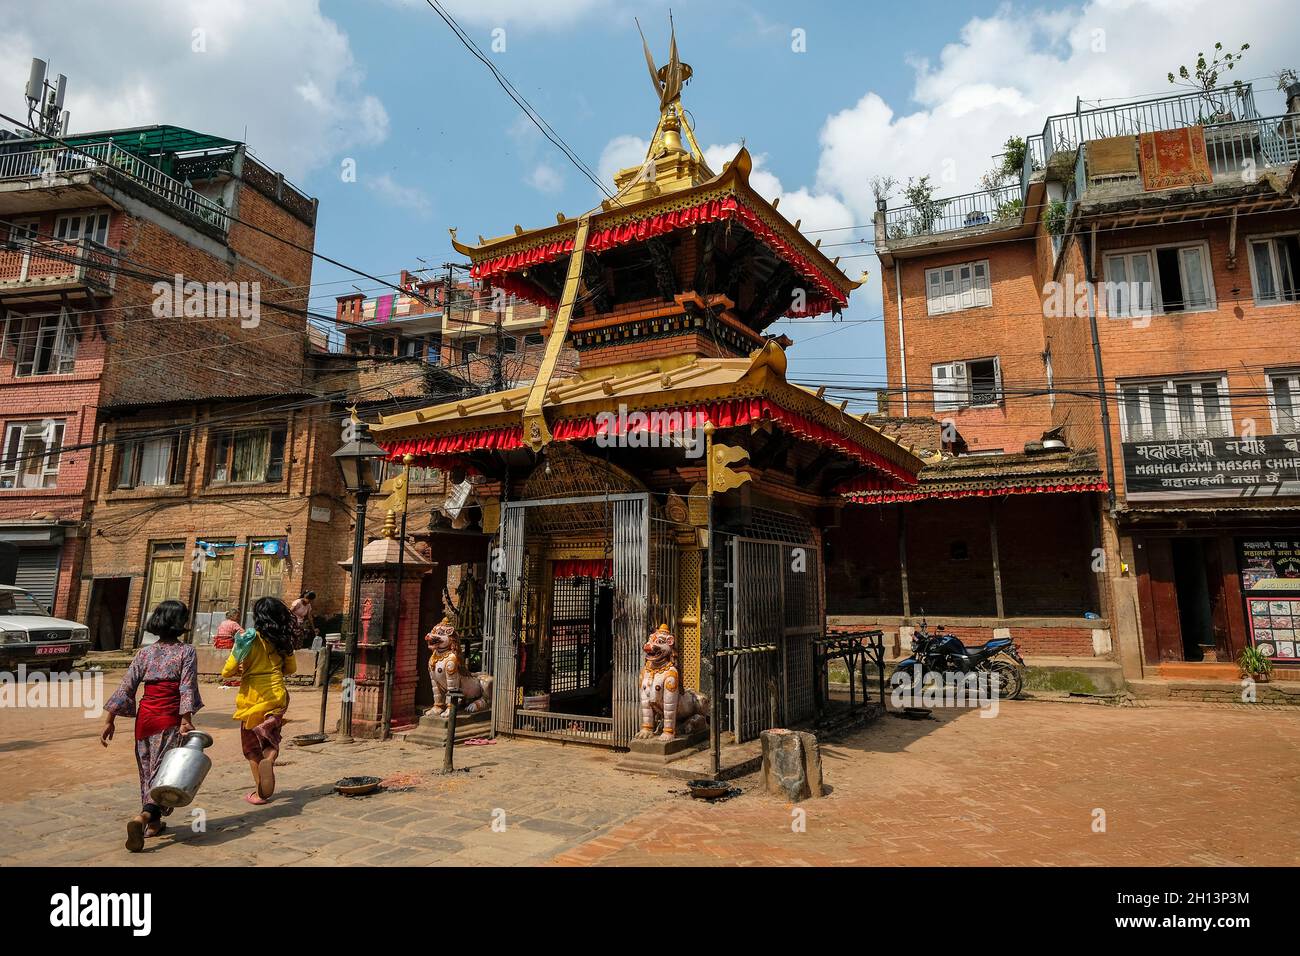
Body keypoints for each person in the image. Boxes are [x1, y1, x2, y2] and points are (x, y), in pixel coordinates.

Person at [101, 600, 202, 853]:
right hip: (168, 719)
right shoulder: (185, 652)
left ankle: (154, 824)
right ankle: (143, 817)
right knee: (163, 774)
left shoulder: (144, 653)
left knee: (148, 772)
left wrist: (109, 719)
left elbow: (127, 685)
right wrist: (186, 719)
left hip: (145, 720)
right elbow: (186, 687)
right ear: (180, 624)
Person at [221, 596, 297, 805]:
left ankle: (260, 792)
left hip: (252, 701)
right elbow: (291, 669)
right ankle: (270, 760)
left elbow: (227, 671)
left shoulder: (248, 638)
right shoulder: (283, 640)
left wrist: (243, 665)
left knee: (252, 748)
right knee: (271, 739)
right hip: (277, 697)